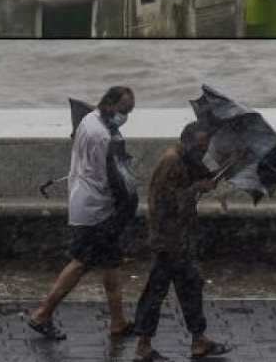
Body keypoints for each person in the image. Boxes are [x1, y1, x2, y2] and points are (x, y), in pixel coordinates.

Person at [26, 86, 137, 341]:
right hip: (96, 210)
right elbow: (115, 180)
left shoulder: (88, 120)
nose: (126, 116)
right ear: (109, 104)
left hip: (86, 200)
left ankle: (118, 322)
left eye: (129, 111)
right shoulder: (105, 137)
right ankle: (42, 314)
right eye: (123, 110)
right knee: (80, 263)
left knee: (111, 263)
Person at [132, 122, 230, 362]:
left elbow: (199, 177)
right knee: (158, 291)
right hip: (168, 241)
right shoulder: (171, 162)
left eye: (205, 147)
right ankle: (145, 345)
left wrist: (227, 165)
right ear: (186, 141)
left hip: (179, 239)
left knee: (189, 286)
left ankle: (197, 339)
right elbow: (166, 203)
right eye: (200, 146)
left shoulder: (186, 158)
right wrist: (198, 187)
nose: (203, 151)